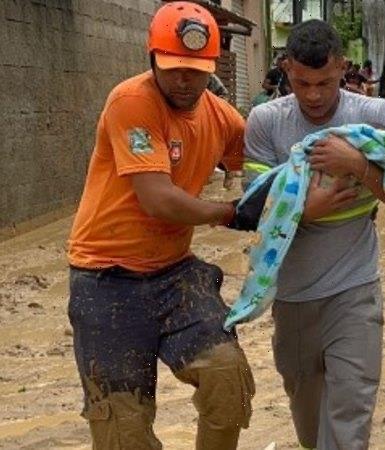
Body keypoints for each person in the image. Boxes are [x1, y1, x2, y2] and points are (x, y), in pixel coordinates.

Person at [66, 3, 255, 449]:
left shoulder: (223, 118)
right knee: (121, 431)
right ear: (152, 58)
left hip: (174, 274)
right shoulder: (132, 102)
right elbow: (157, 200)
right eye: (172, 69)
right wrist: (226, 212)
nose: (183, 80)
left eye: (195, 70)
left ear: (211, 67)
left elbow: (266, 169)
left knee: (228, 380)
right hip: (105, 280)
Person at [243, 19, 385, 449]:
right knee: (310, 423)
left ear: (343, 69)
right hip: (292, 298)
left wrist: (357, 164)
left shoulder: (375, 116)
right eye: (302, 83)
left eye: (325, 83)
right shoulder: (265, 121)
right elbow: (252, 206)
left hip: (355, 291)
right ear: (286, 69)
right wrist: (303, 211)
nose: (314, 95)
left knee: (349, 419)